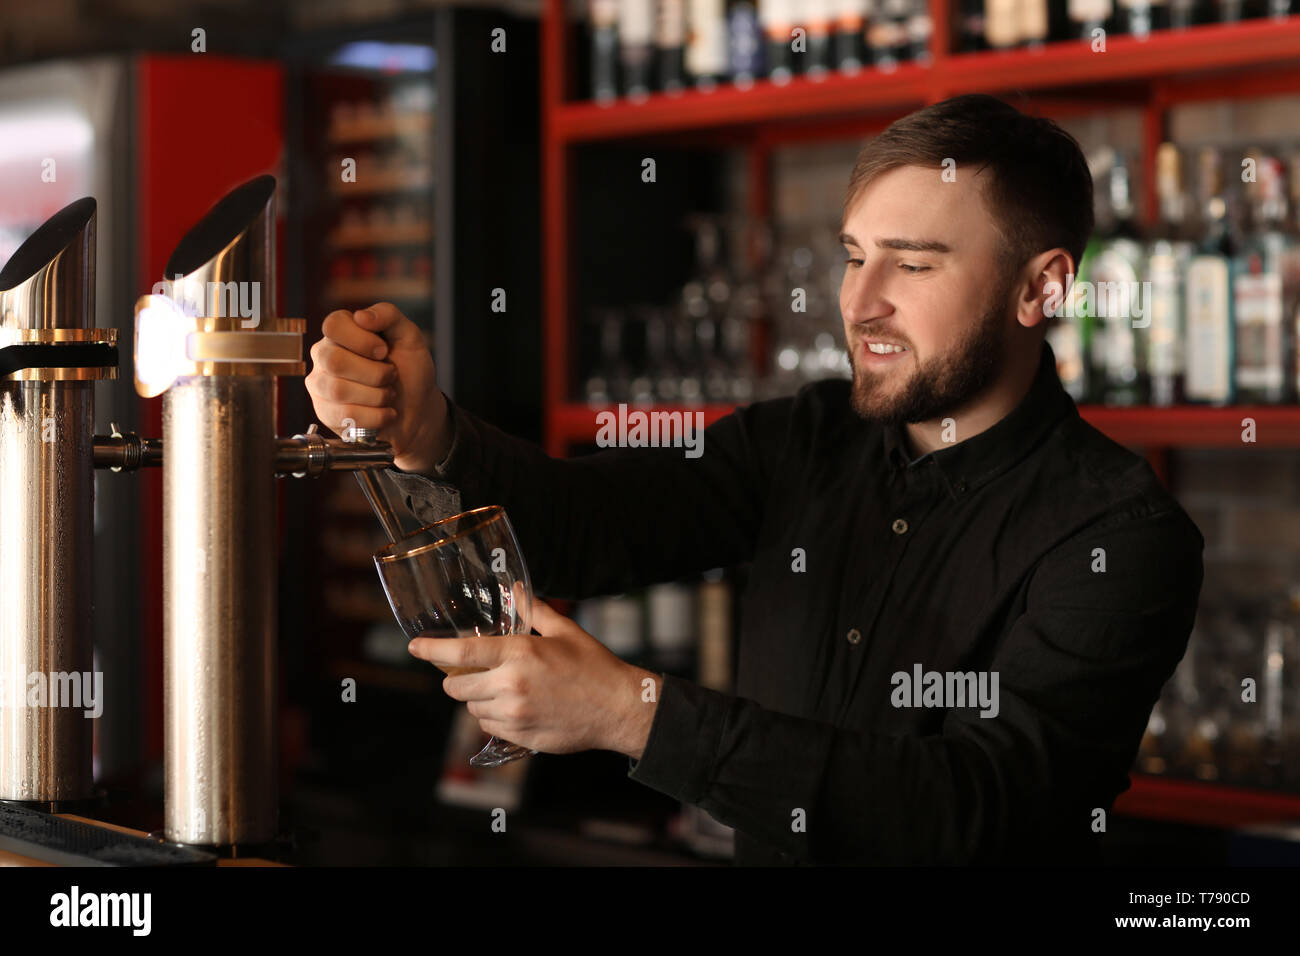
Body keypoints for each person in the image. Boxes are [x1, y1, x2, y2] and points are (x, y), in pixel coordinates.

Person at [305, 93, 1203, 865]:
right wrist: (430, 435)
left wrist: (636, 715)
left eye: (915, 264)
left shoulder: (1116, 536)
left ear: (1041, 288)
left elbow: (975, 810)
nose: (860, 302)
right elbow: (585, 528)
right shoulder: (805, 439)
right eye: (854, 257)